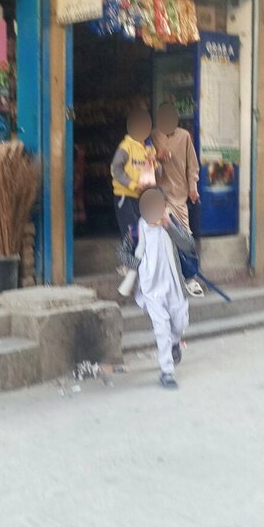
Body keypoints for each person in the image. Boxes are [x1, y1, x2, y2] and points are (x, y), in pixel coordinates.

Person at [132, 187, 197, 390]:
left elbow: (189, 245)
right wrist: (131, 266)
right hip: (151, 288)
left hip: (173, 284)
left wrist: (170, 226)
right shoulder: (137, 229)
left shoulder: (172, 222)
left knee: (179, 323)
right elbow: (125, 252)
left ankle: (175, 342)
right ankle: (167, 371)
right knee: (161, 328)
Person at [151, 102, 203, 297]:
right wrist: (158, 157)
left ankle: (190, 278)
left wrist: (193, 187)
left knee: (185, 237)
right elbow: (146, 161)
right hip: (159, 196)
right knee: (158, 237)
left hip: (179, 196)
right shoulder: (153, 136)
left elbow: (192, 166)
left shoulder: (184, 136)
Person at [110, 109, 158, 247]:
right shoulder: (126, 147)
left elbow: (157, 170)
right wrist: (133, 184)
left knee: (143, 233)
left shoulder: (149, 148)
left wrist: (154, 162)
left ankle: (139, 260)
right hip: (125, 196)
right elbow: (115, 170)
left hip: (143, 197)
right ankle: (129, 259)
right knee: (131, 234)